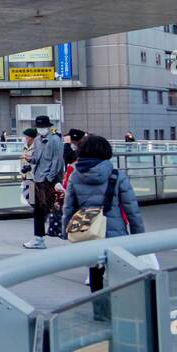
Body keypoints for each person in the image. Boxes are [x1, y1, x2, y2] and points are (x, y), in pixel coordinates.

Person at [64, 135, 144, 318]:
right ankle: (121, 311)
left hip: (90, 233)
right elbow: (132, 209)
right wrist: (139, 235)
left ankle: (100, 312)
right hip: (116, 232)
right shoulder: (117, 175)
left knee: (95, 274)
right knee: (119, 273)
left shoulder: (76, 176)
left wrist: (65, 231)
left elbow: (69, 207)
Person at [24, 115, 65, 250]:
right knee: (40, 209)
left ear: (49, 127)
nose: (41, 129)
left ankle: (40, 238)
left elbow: (57, 161)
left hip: (48, 180)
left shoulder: (55, 140)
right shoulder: (37, 140)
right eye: (39, 127)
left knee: (42, 209)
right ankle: (40, 237)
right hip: (38, 178)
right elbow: (36, 158)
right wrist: (30, 160)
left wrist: (49, 178)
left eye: (43, 127)